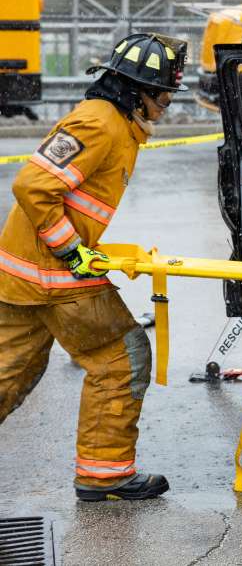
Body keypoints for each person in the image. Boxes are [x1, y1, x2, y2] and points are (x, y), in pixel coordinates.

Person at [0, 33, 187, 501]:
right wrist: (71, 252)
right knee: (121, 357)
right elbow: (32, 185)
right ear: (136, 89)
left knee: (10, 371)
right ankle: (105, 474)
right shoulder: (99, 123)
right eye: (162, 94)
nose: (165, 104)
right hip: (53, 276)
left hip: (27, 273)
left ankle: (103, 472)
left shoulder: (114, 123)